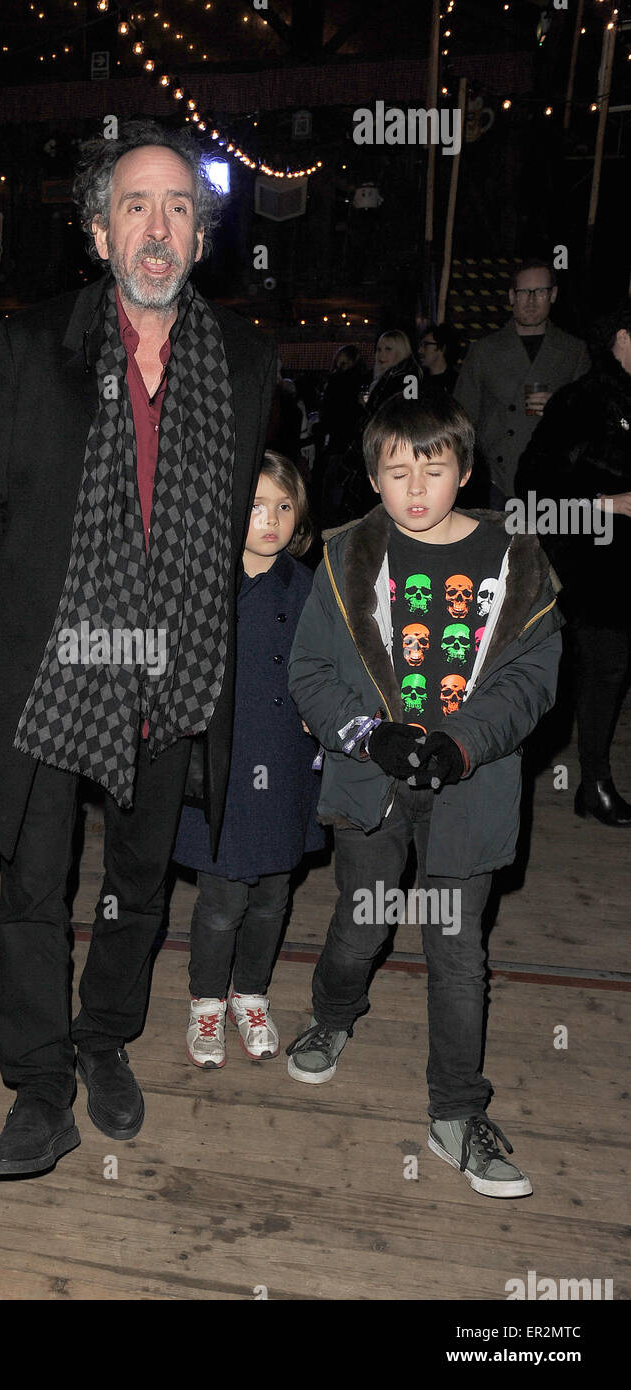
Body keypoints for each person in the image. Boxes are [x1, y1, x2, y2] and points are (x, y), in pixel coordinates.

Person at [0, 120, 278, 1178]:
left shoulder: (248, 363)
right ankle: (39, 1085)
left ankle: (103, 1037)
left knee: (137, 880)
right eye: (135, 205)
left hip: (170, 671)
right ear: (97, 233)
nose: (158, 227)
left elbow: (233, 527)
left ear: (202, 238)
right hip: (49, 663)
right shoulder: (35, 345)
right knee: (34, 882)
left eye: (179, 207)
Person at [286, 395, 562, 1199]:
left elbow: (534, 676)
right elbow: (308, 672)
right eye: (397, 472)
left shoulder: (515, 560)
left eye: (433, 471)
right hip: (374, 781)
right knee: (360, 919)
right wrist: (369, 733)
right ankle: (334, 1016)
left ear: (465, 472)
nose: (415, 490)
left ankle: (453, 1112)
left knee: (456, 949)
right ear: (373, 478)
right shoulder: (344, 558)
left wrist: (463, 740)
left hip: (469, 786)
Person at [172, 452, 323, 1067]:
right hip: (225, 765)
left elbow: (324, 664)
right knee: (222, 898)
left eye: (284, 507)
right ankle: (205, 1002)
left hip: (286, 761)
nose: (270, 520)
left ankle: (250, 993)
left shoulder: (307, 586)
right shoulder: (200, 581)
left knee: (272, 894)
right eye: (256, 506)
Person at [515, 298, 631, 826]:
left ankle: (595, 782)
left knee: (610, 674)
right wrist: (605, 504)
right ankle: (569, 785)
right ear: (622, 339)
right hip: (590, 570)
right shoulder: (582, 402)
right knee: (576, 679)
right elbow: (532, 492)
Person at [454, 258, 590, 504]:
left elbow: (591, 421)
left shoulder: (574, 351)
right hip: (494, 483)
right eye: (524, 292)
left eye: (540, 291)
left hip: (552, 483)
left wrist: (560, 406)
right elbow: (461, 419)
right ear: (511, 296)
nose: (531, 300)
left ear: (553, 294)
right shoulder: (483, 351)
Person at [322, 331, 422, 527]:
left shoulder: (406, 376)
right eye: (378, 349)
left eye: (388, 349)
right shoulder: (385, 377)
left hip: (387, 451)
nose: (381, 354)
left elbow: (407, 413)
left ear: (401, 351)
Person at [419, 323, 461, 400]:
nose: (420, 350)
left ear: (442, 347)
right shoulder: (419, 381)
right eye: (420, 345)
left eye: (426, 345)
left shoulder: (457, 382)